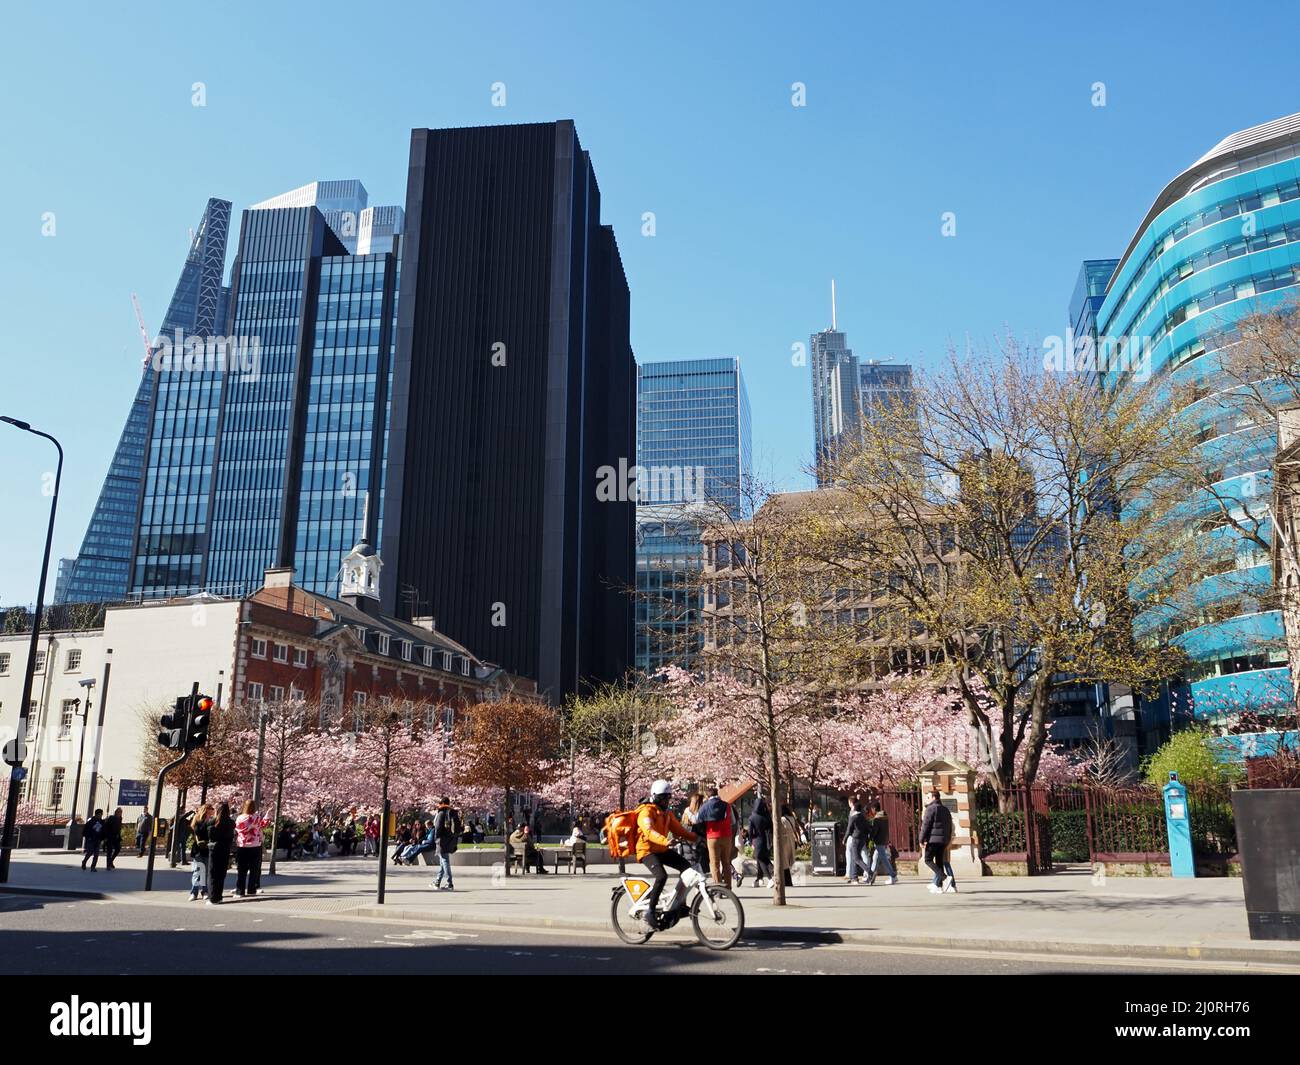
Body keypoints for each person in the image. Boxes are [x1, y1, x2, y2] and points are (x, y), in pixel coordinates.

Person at [636, 780, 698, 929]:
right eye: (663, 798)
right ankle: (650, 912)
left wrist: (697, 838)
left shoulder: (666, 813)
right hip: (647, 851)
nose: (666, 801)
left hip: (662, 849)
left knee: (687, 868)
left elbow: (679, 830)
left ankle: (680, 903)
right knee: (661, 876)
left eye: (668, 798)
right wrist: (665, 841)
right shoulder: (646, 812)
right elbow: (648, 831)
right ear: (655, 797)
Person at [696, 786, 734, 888]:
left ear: (707, 795)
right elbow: (732, 821)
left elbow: (698, 821)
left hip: (712, 836)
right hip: (726, 835)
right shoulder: (726, 805)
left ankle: (719, 888)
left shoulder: (704, 806)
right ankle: (728, 887)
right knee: (726, 862)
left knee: (714, 863)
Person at [919, 789, 956, 894]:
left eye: (928, 797)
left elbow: (926, 826)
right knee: (939, 861)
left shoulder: (930, 809)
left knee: (928, 859)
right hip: (943, 840)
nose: (927, 799)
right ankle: (939, 886)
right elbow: (949, 825)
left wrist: (921, 839)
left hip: (933, 839)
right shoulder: (945, 809)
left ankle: (945, 878)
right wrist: (947, 839)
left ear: (934, 797)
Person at [234, 799, 268, 897]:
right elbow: (262, 827)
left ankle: (240, 891)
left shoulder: (240, 818)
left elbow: (237, 829)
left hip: (243, 845)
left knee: (241, 870)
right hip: (255, 845)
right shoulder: (257, 817)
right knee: (254, 869)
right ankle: (252, 890)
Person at [208, 803, 236, 904]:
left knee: (213, 874)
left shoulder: (213, 821)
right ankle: (219, 896)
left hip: (214, 849)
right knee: (221, 874)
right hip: (225, 849)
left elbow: (209, 835)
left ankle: (213, 897)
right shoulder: (231, 822)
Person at [866, 803, 898, 885]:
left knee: (883, 859)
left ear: (874, 809)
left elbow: (875, 831)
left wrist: (870, 837)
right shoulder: (885, 817)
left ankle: (893, 876)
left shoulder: (877, 819)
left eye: (872, 809)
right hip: (884, 840)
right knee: (875, 858)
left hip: (879, 841)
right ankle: (871, 875)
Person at [431, 797, 459, 891]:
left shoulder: (441, 813)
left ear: (442, 803)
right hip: (450, 839)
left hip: (442, 840)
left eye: (439, 803)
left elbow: (438, 828)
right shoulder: (452, 813)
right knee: (443, 861)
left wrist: (435, 839)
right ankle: (437, 881)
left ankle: (449, 883)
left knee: (444, 861)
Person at [188, 803, 213, 901]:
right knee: (197, 871)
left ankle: (204, 891)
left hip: (207, 848)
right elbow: (197, 832)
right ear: (206, 810)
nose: (213, 810)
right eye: (211, 808)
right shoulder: (198, 820)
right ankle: (194, 892)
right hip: (199, 848)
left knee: (205, 871)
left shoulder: (212, 820)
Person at [844, 797, 872, 884]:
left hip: (855, 838)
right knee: (856, 856)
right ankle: (854, 877)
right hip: (862, 838)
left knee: (856, 858)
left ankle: (869, 872)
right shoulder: (862, 816)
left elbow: (849, 829)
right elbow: (868, 828)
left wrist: (844, 839)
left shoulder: (853, 816)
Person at [748, 797, 774, 887]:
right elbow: (771, 828)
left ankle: (770, 878)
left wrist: (751, 841)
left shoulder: (752, 817)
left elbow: (750, 832)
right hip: (766, 840)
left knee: (760, 859)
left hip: (757, 840)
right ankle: (759, 879)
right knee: (763, 858)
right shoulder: (766, 816)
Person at [777, 804, 800, 888]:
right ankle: (787, 880)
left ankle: (787, 881)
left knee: (784, 861)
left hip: (784, 840)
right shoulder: (792, 818)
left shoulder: (782, 819)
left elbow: (781, 829)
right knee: (787, 860)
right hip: (791, 840)